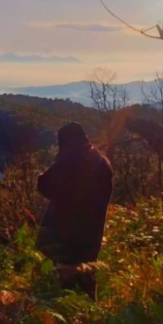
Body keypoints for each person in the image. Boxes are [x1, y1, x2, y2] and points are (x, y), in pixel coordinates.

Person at [36, 122, 113, 300]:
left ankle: (70, 314)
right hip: (92, 234)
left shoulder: (69, 162)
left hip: (66, 235)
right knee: (86, 277)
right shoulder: (102, 161)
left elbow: (45, 186)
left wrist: (56, 163)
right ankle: (90, 313)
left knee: (67, 286)